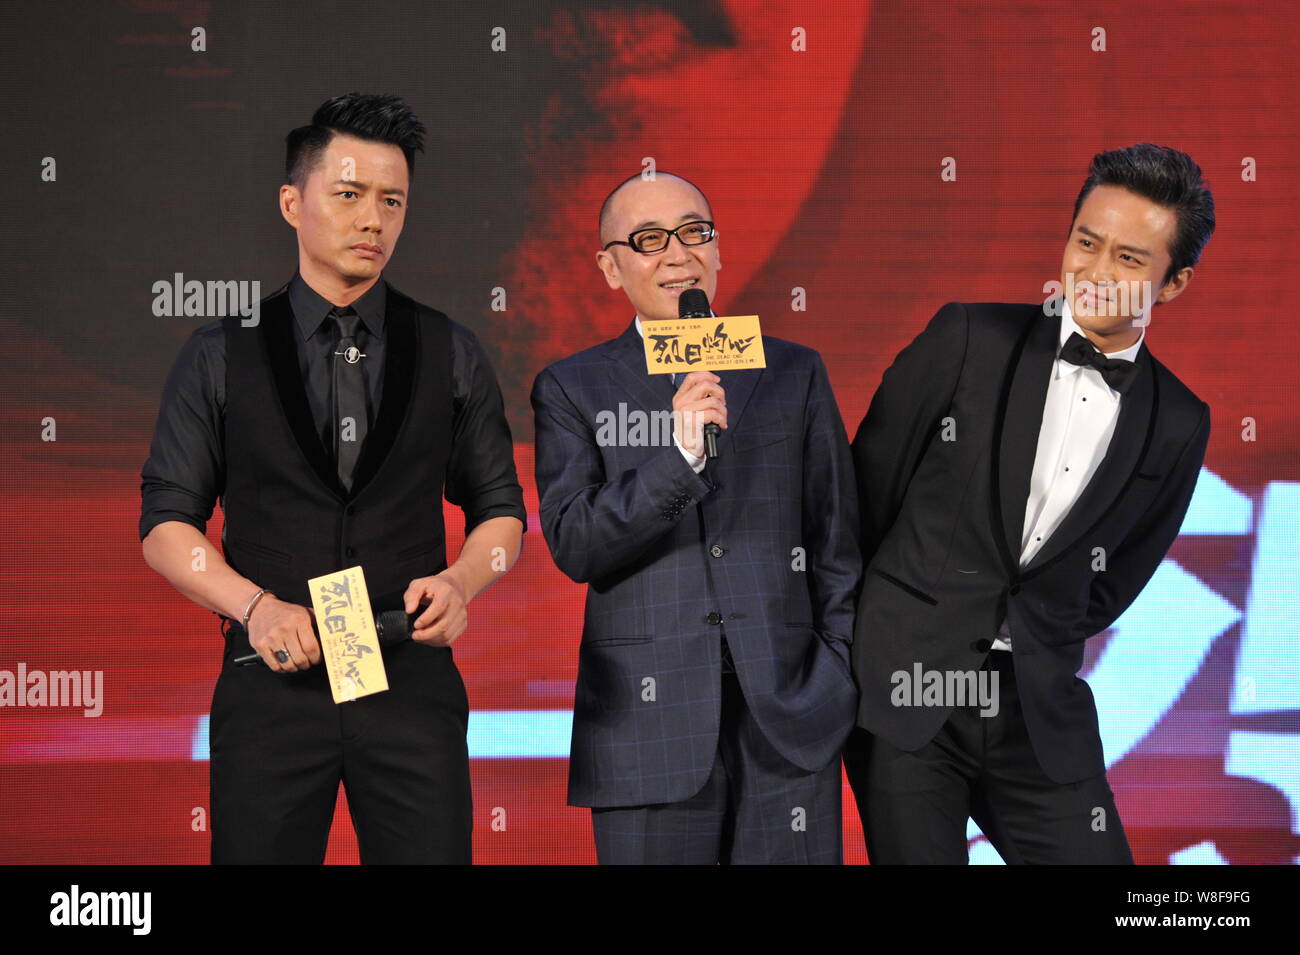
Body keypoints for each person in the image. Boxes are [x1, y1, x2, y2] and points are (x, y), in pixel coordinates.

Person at [139, 92, 526, 864]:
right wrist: (252, 606)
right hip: (270, 684)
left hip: (410, 681)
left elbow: (501, 512)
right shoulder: (221, 351)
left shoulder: (449, 349)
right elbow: (165, 527)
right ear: (293, 201)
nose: (372, 219)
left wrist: (461, 582)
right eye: (348, 195)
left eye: (392, 200)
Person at [844, 143, 1214, 864]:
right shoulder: (968, 339)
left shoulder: (1179, 419)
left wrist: (1036, 629)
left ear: (1174, 283)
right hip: (908, 692)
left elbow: (1113, 580)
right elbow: (866, 499)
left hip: (1039, 713)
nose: (1097, 272)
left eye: (1131, 260)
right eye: (1086, 241)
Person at [531, 171, 861, 864]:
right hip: (643, 726)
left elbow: (836, 540)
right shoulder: (573, 386)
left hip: (789, 716)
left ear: (717, 251)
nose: (678, 253)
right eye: (649, 240)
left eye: (694, 232)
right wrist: (677, 459)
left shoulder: (792, 371)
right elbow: (574, 541)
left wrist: (834, 671)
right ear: (610, 267)